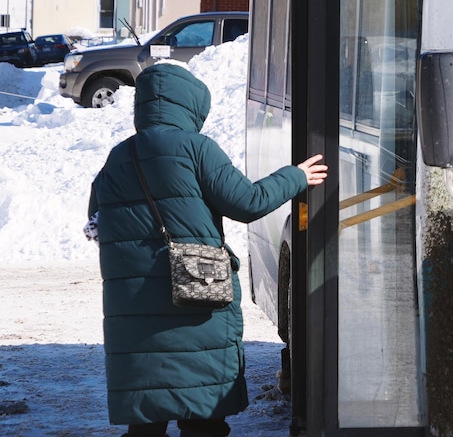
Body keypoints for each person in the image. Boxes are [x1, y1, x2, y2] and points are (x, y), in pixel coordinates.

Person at [86, 63, 327, 437]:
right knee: (203, 421)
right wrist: (296, 176)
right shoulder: (197, 149)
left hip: (133, 311)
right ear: (191, 106)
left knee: (145, 423)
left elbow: (96, 224)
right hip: (193, 299)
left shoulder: (117, 157)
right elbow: (247, 203)